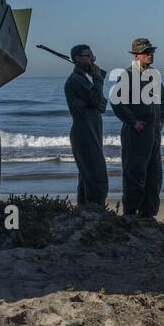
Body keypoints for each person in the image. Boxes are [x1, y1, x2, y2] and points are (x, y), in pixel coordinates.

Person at [112, 38, 164, 217]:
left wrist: (161, 120)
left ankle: (148, 215)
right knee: (135, 173)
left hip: (154, 133)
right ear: (136, 55)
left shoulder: (154, 75)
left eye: (151, 51)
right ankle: (130, 213)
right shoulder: (127, 75)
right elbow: (117, 102)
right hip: (136, 134)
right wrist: (133, 121)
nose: (150, 55)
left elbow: (162, 101)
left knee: (154, 175)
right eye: (146, 52)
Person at [63, 44, 108, 208]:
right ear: (77, 58)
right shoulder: (75, 81)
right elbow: (97, 101)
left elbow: (102, 105)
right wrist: (97, 79)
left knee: (87, 177)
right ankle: (95, 213)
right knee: (97, 177)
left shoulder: (83, 80)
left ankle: (84, 212)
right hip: (85, 133)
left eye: (93, 57)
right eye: (89, 56)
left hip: (92, 131)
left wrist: (96, 100)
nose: (92, 60)